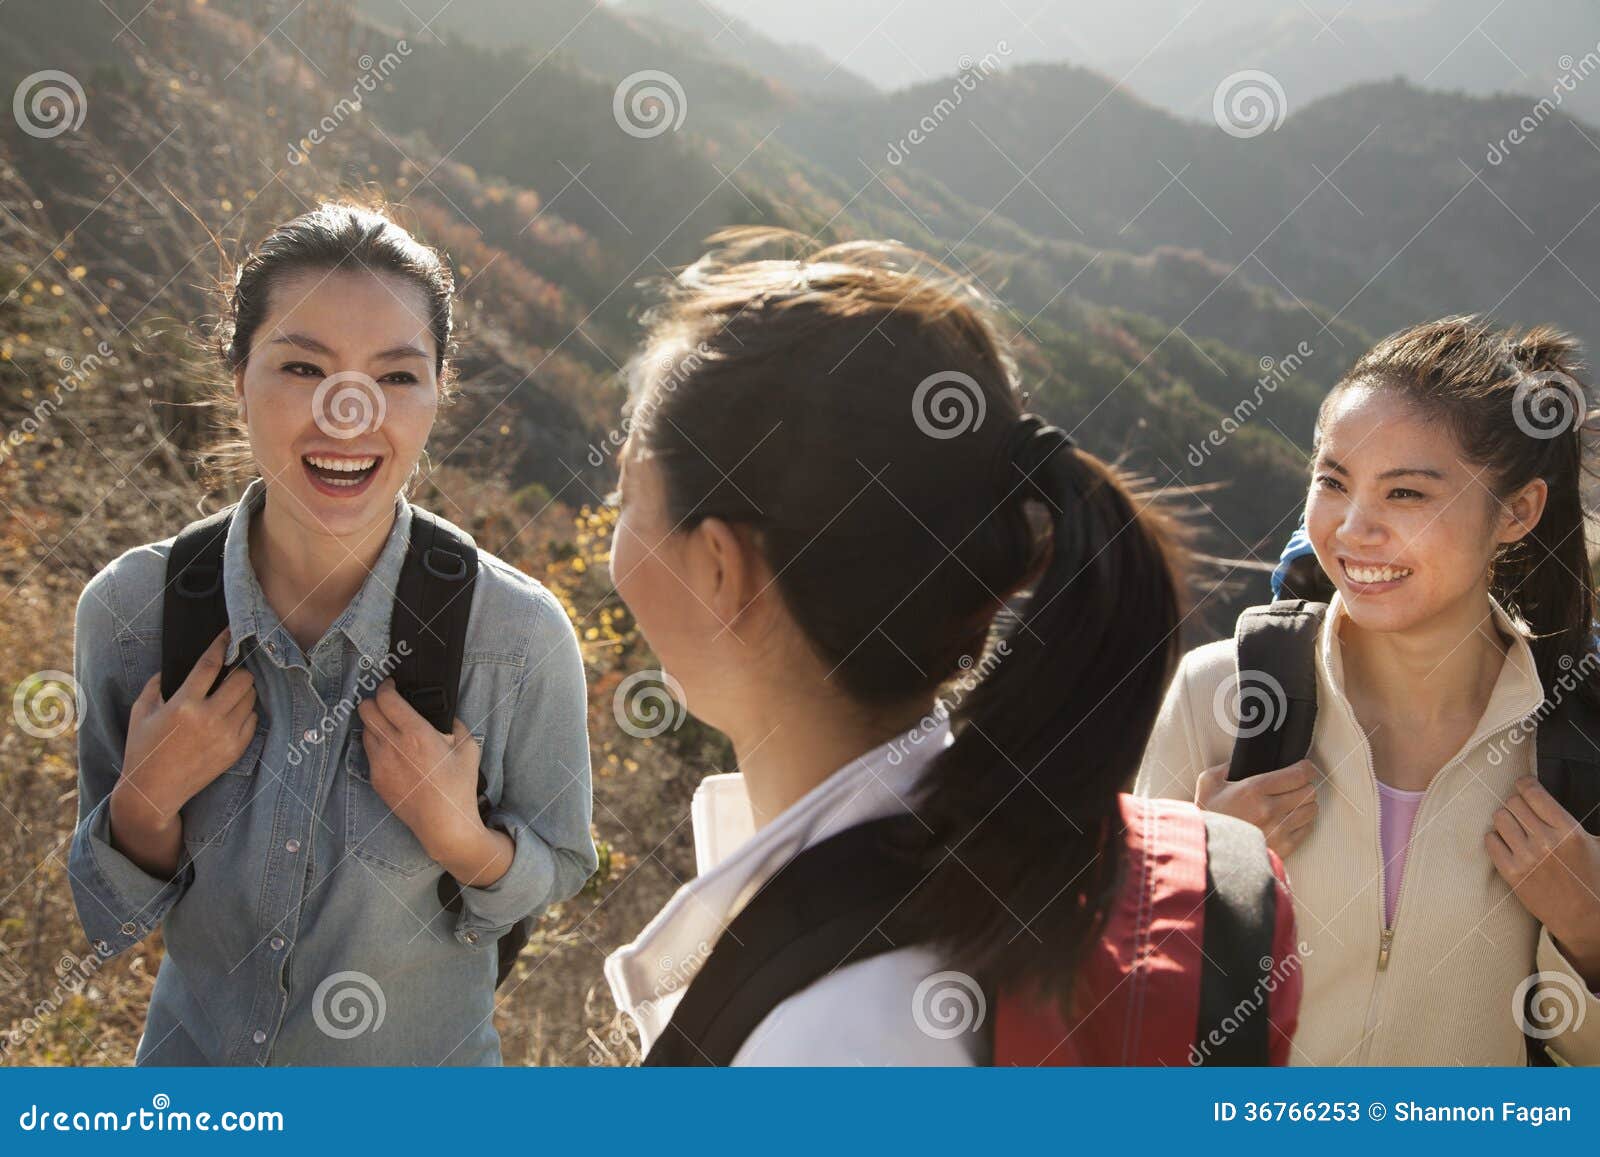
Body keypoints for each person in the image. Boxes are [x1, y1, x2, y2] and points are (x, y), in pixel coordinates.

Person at [601, 228, 1300, 1065]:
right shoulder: (1039, 873)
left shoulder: (830, 1041)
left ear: (720, 566)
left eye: (625, 494)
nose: (617, 543)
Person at [67, 202, 597, 1065]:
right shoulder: (135, 610)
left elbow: (564, 862)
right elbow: (111, 913)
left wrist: (461, 838)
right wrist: (145, 800)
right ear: (238, 375)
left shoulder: (516, 635)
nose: (348, 414)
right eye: (303, 366)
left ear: (438, 392)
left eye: (395, 377)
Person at [1137, 316, 1600, 1065]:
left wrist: (1590, 932)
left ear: (1517, 512)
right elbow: (1112, 1027)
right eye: (1332, 481)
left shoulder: (1579, 737)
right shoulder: (1220, 699)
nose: (1355, 528)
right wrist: (1188, 892)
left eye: (1407, 493)